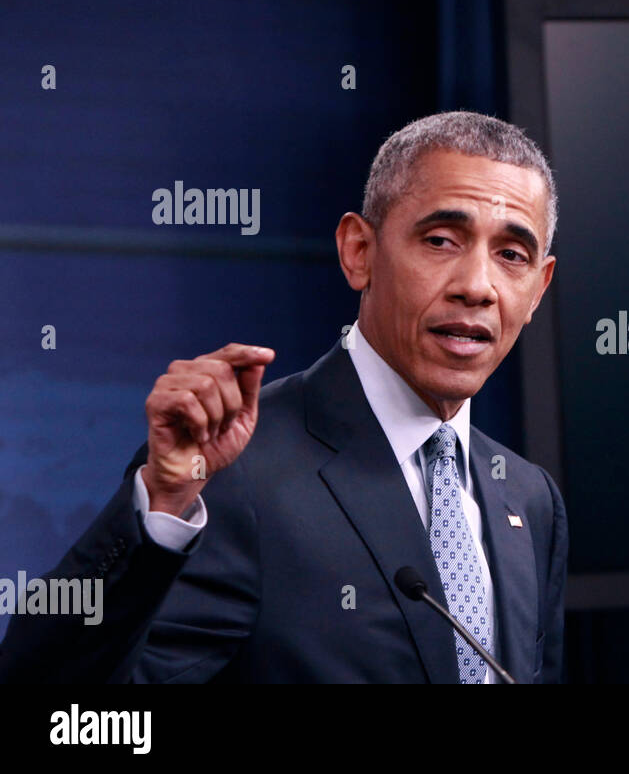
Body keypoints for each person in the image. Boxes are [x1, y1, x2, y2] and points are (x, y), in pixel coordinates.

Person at [0, 111, 567, 683]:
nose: (476, 287)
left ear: (538, 288)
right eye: (441, 240)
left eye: (511, 255)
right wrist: (164, 506)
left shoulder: (528, 496)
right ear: (358, 252)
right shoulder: (232, 473)